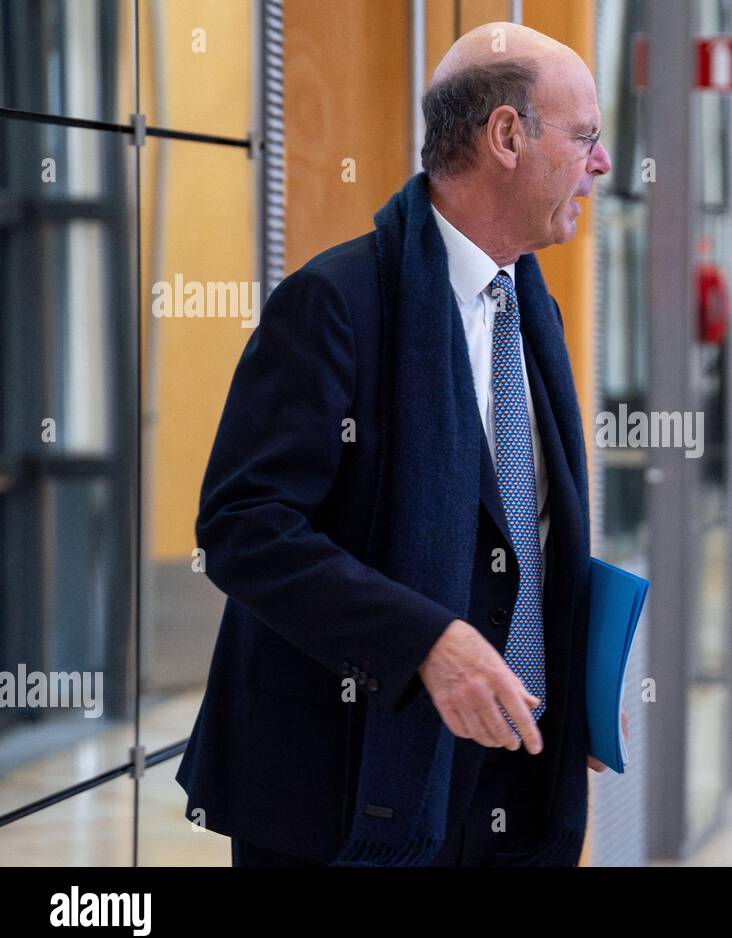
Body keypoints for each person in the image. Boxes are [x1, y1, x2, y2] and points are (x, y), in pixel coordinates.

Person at [177, 22, 612, 866]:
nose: (600, 165)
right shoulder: (335, 303)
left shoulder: (532, 305)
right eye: (587, 137)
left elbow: (528, 531)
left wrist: (577, 681)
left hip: (513, 767)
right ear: (507, 137)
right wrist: (424, 643)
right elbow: (244, 527)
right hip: (345, 783)